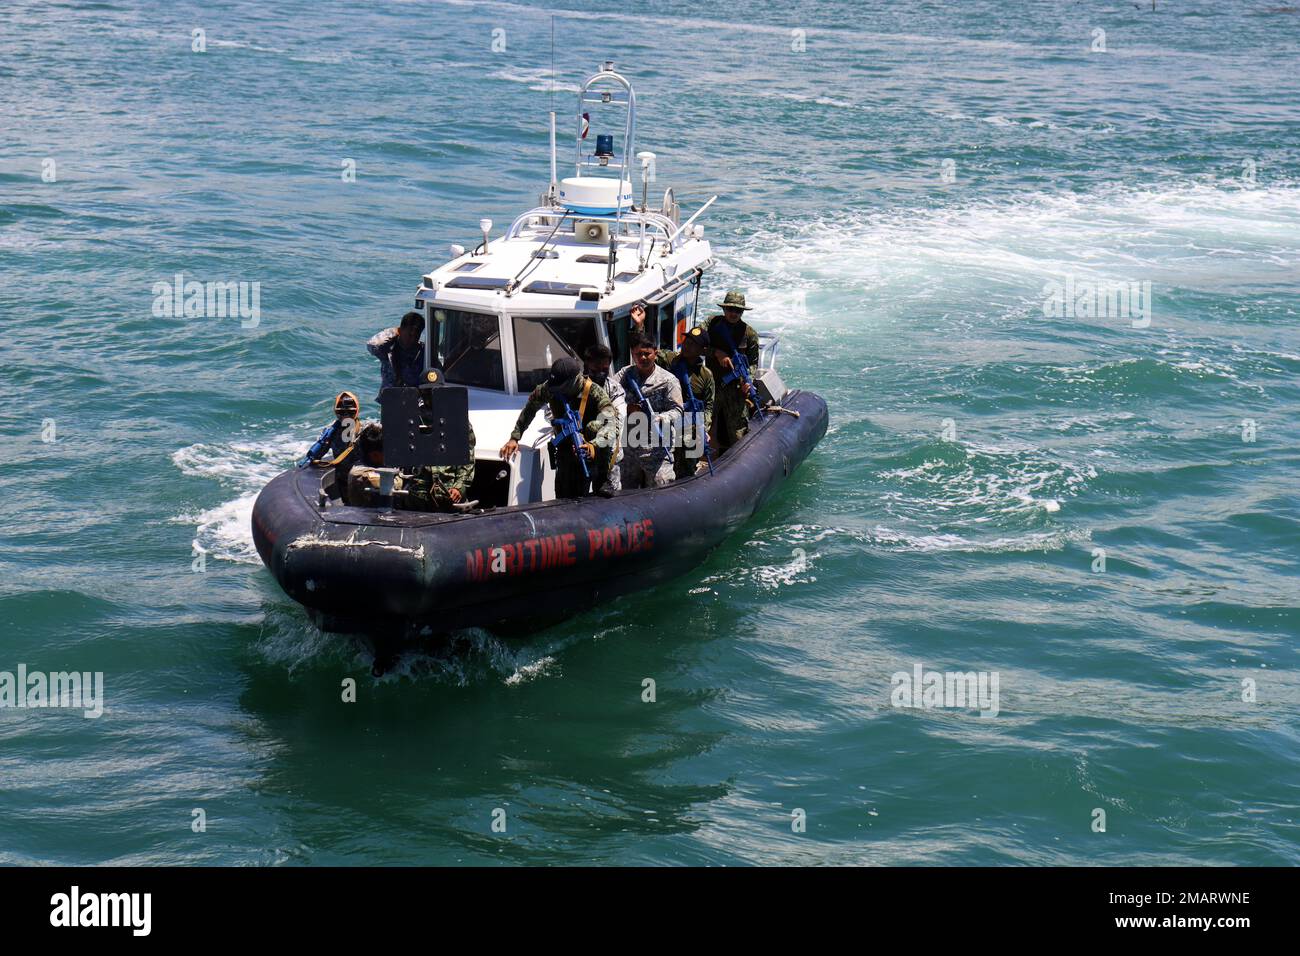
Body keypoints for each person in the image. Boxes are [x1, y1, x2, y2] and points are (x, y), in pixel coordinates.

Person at [500, 357, 618, 498]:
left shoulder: (595, 392)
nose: (557, 391)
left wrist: (593, 445)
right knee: (565, 493)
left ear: (575, 380)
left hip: (594, 445)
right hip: (566, 444)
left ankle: (602, 479)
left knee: (595, 427)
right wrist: (515, 437)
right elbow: (531, 408)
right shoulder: (550, 388)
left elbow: (612, 424)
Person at [616, 332, 682, 489]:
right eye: (638, 354)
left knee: (662, 490)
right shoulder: (624, 375)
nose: (643, 358)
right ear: (632, 354)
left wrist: (661, 418)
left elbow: (678, 410)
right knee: (625, 493)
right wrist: (626, 408)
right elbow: (608, 397)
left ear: (656, 353)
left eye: (647, 354)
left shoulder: (668, 381)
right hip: (629, 450)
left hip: (657, 451)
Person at [705, 290, 761, 453]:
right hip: (711, 385)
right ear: (724, 309)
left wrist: (747, 381)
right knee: (702, 424)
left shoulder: (749, 334)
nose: (733, 313)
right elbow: (694, 345)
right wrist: (716, 352)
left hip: (735, 389)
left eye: (738, 310)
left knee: (738, 431)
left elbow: (753, 363)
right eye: (730, 309)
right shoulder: (712, 323)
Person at [656, 325, 714, 478]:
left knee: (687, 468)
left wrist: (705, 428)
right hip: (667, 419)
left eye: (693, 344)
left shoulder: (705, 375)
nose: (687, 346)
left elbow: (708, 405)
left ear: (702, 350)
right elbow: (649, 352)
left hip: (690, 424)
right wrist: (639, 326)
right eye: (687, 341)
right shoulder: (670, 359)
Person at [401, 422, 477, 513]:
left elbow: (468, 459)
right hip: (418, 496)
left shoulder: (458, 420)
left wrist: (459, 487)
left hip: (449, 496)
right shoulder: (416, 416)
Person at [584, 343, 625, 491]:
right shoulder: (576, 385)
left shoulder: (614, 389)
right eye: (595, 369)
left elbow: (619, 418)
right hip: (581, 451)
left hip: (607, 454)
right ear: (587, 365)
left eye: (605, 370)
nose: (600, 374)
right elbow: (552, 411)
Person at [367, 311, 426, 400]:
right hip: (390, 401)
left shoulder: (422, 352)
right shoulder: (388, 349)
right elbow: (372, 345)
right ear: (401, 330)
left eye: (416, 335)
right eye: (409, 334)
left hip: (414, 401)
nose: (412, 339)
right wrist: (394, 331)